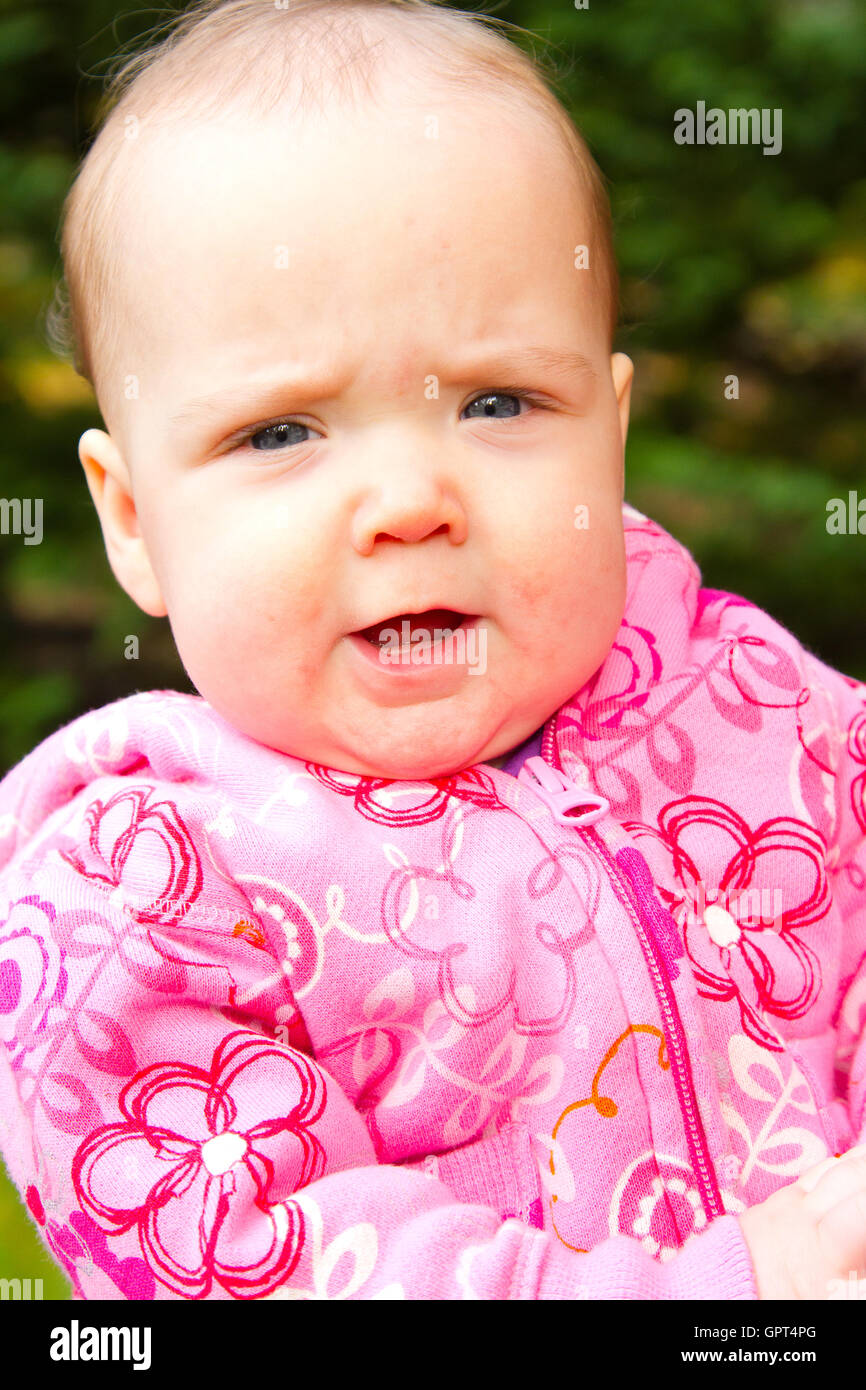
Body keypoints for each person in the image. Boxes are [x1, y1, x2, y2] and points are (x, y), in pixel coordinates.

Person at [1, 0, 864, 1300]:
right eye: (281, 432)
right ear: (133, 522)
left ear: (607, 434)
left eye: (499, 401)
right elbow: (271, 1262)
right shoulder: (144, 914)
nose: (410, 498)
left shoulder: (766, 714)